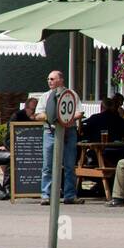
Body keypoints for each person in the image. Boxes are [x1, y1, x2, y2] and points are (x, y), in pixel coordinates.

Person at [36, 69, 81, 206]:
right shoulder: (45, 96)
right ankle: (46, 195)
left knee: (69, 165)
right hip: (50, 131)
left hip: (69, 131)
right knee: (47, 165)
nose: (49, 81)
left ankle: (69, 195)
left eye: (52, 79)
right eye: (49, 79)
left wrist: (65, 121)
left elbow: (78, 112)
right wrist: (51, 117)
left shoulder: (71, 94)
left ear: (61, 80)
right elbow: (38, 115)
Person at [80, 95, 124, 167]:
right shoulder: (121, 120)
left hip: (98, 153)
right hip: (119, 153)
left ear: (101, 107)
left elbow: (84, 132)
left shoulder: (94, 118)